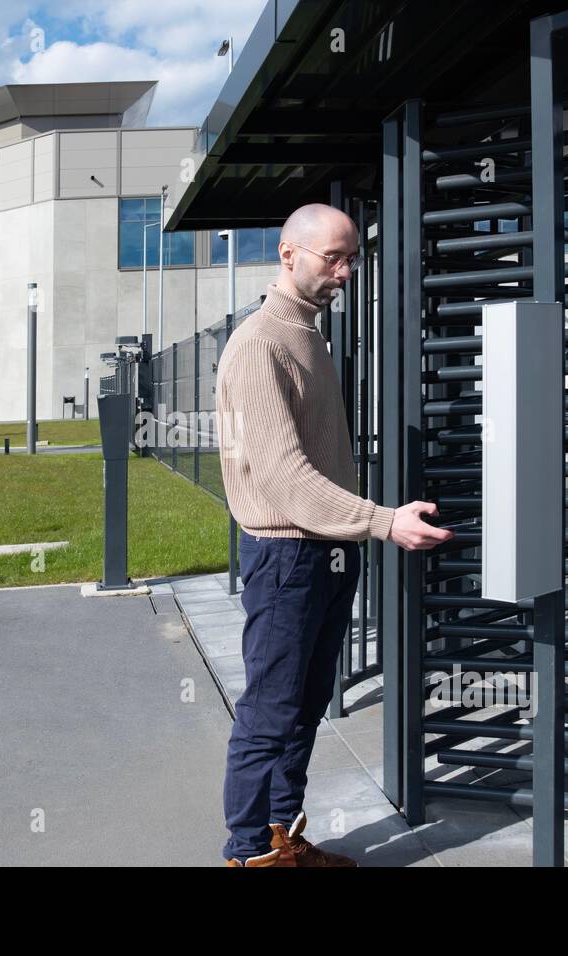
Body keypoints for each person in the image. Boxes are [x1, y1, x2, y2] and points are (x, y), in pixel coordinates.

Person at [215, 202, 454, 867]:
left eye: (352, 258)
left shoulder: (308, 336)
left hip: (326, 553)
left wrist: (354, 536)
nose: (347, 271)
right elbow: (287, 478)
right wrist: (382, 521)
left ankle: (280, 838)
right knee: (270, 712)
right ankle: (247, 856)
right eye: (335, 258)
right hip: (287, 554)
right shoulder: (260, 344)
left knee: (304, 707)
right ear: (289, 255)